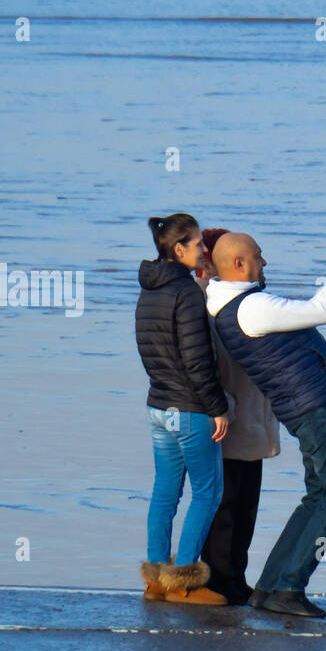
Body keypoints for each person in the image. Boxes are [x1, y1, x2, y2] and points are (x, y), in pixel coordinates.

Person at [204, 230, 326, 618]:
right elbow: (323, 311)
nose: (266, 263)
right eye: (259, 257)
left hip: (303, 402)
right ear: (240, 265)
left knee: (321, 493)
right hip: (310, 403)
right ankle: (287, 586)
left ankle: (272, 586)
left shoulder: (233, 301)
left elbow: (310, 308)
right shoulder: (251, 306)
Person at [136, 213, 230, 604]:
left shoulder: (150, 291)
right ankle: (185, 582)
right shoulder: (187, 295)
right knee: (208, 491)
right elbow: (196, 361)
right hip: (190, 410)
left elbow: (153, 351)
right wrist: (217, 407)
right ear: (179, 249)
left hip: (158, 406)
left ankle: (157, 578)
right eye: (196, 244)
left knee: (165, 491)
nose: (204, 250)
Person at [192, 229, 281, 605]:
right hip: (226, 419)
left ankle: (235, 577)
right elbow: (204, 364)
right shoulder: (206, 303)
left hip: (250, 417)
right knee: (226, 505)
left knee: (245, 505)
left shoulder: (246, 299)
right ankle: (218, 579)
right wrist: (221, 407)